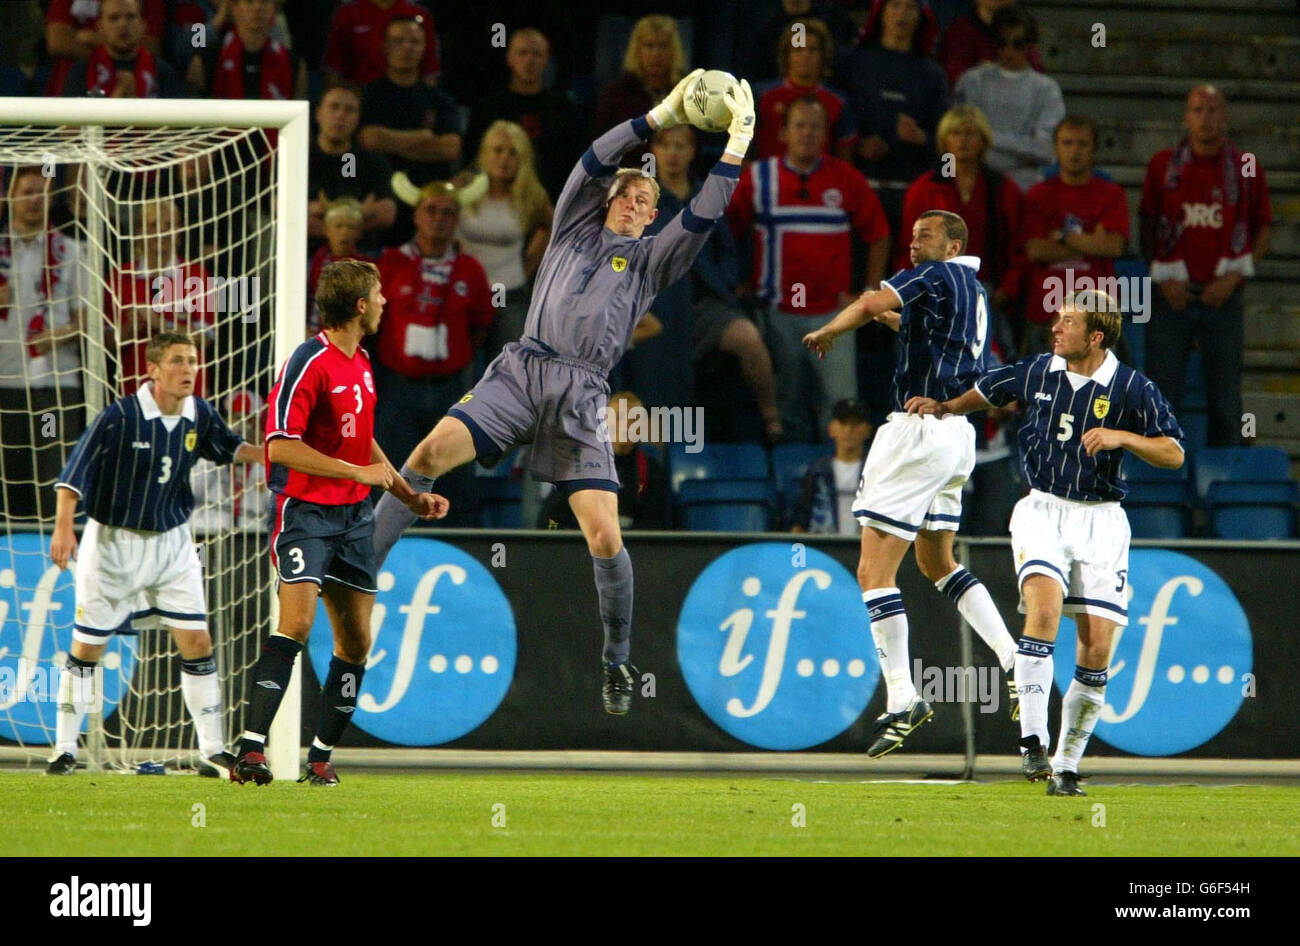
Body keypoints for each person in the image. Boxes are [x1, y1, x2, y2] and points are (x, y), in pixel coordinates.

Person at [370, 67, 755, 716]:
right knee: (432, 454)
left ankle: (617, 660)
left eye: (645, 200)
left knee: (605, 537)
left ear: (653, 214)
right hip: (523, 370)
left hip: (582, 397)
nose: (634, 202)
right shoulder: (575, 222)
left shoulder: (654, 259)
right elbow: (594, 157)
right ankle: (363, 566)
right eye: (627, 193)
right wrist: (660, 116)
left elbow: (706, 212)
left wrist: (737, 144)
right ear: (607, 199)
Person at [903, 291, 1185, 796]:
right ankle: (1032, 741)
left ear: (1095, 336)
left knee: (1096, 649)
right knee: (1043, 615)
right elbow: (987, 391)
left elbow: (1174, 452)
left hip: (1101, 521)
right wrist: (945, 406)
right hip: (1042, 511)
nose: (1056, 328)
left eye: (1068, 322)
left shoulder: (1131, 387)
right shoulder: (1039, 370)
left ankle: (1066, 766)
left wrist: (1124, 438)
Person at [801, 210, 1019, 756]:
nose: (912, 243)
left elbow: (874, 300)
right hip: (957, 437)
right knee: (938, 563)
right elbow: (935, 336)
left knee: (873, 570)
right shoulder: (975, 290)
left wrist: (831, 327)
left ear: (953, 246)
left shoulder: (939, 273)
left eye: (924, 236)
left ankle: (902, 697)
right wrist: (896, 322)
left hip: (918, 430)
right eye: (912, 235)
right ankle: (1016, 660)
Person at [231, 260, 447, 787]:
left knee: (354, 644)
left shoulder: (364, 362)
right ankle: (250, 752)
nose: (385, 302)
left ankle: (321, 757)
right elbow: (279, 446)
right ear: (358, 306)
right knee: (298, 625)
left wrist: (408, 495)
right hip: (305, 513)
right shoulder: (309, 361)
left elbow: (363, 442)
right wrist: (356, 472)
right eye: (378, 294)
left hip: (354, 519)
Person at [46, 332, 263, 776]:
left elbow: (227, 446)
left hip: (173, 542)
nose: (188, 369)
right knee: (87, 648)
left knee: (197, 641)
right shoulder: (121, 416)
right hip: (113, 543)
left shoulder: (198, 412)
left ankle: (213, 750)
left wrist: (269, 454)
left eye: (193, 361)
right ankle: (64, 749)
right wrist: (63, 527)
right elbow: (75, 472)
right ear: (153, 369)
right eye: (178, 361)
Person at [729, 95, 891, 442]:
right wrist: (736, 281)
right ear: (784, 132)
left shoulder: (846, 178)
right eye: (799, 125)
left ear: (826, 134)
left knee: (841, 410)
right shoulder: (759, 179)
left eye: (816, 126)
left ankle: (841, 489)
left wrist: (868, 290)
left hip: (834, 318)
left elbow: (879, 234)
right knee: (785, 410)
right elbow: (726, 234)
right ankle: (794, 488)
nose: (807, 133)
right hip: (776, 315)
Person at [1140, 84, 1273, 447]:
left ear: (1225, 117)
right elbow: (1147, 224)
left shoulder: (1246, 166)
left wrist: (1235, 278)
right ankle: (1162, 492)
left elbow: (1264, 227)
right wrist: (1161, 279)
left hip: (1223, 298)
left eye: (1213, 110)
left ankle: (1222, 487)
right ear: (1186, 117)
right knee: (1160, 401)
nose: (1205, 118)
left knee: (1227, 406)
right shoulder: (1162, 165)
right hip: (1171, 298)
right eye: (1198, 110)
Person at [646, 124, 781, 440]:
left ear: (693, 152)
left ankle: (772, 420)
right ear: (654, 151)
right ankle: (658, 460)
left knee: (749, 338)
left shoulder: (708, 196)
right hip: (659, 308)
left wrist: (727, 281)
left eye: (681, 146)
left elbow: (728, 249)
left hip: (706, 302)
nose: (673, 153)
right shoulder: (642, 198)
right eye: (667, 146)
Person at [374, 180, 493, 526]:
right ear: (415, 216)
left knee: (455, 470)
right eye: (431, 210)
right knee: (392, 469)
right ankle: (382, 544)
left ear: (457, 220)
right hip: (397, 387)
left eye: (448, 212)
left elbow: (482, 324)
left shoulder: (470, 269)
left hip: (451, 388)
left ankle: (462, 545)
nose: (438, 219)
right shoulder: (391, 264)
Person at [0, 166, 87, 522]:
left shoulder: (72, 251)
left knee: (51, 470)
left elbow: (89, 318)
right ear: (10, 198)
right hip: (4, 384)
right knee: (8, 476)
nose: (34, 200)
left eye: (41, 192)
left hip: (54, 386)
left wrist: (60, 334)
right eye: (27, 192)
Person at [895, 105, 1022, 331]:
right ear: (945, 141)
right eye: (956, 133)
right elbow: (909, 246)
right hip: (933, 291)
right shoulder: (925, 188)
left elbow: (1017, 244)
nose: (963, 140)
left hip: (988, 291)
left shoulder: (1002, 187)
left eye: (970, 133)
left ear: (983, 140)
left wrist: (1006, 290)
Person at [1022, 117, 1129, 356]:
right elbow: (1036, 251)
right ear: (1056, 148)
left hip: (1098, 317)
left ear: (1094, 149)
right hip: (1047, 315)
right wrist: (1090, 240)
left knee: (1103, 393)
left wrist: (1060, 237)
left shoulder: (1111, 194)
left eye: (1082, 144)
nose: (1074, 151)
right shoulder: (1038, 195)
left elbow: (1112, 247)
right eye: (1067, 143)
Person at [842, 0, 947, 234]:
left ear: (921, 17)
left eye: (910, 8)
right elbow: (833, 119)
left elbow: (948, 149)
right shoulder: (852, 63)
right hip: (858, 187)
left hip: (911, 193)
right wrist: (856, 145)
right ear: (881, 13)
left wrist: (922, 138)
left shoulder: (933, 75)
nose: (903, 14)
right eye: (896, 6)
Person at [456, 120, 554, 364]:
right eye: (497, 150)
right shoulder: (463, 189)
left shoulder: (530, 195)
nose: (504, 159)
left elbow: (551, 226)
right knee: (462, 371)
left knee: (506, 375)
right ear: (484, 154)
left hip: (509, 295)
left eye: (512, 153)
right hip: (464, 294)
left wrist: (530, 263)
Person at [953, 5, 1064, 193]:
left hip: (1026, 189)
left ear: (1030, 45)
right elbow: (963, 142)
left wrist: (988, 137)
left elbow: (1046, 151)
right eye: (1002, 43)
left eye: (1017, 43)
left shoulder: (1047, 89)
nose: (1009, 50)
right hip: (977, 184)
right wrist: (1023, 147)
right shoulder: (973, 80)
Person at [464, 28, 582, 201]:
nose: (529, 60)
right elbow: (473, 158)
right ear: (509, 58)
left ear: (546, 59)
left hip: (552, 198)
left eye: (536, 54)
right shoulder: (488, 108)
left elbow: (575, 161)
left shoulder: (564, 109)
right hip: (496, 200)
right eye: (522, 53)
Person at [537, 390, 672, 531]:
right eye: (619, 418)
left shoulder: (651, 470)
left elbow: (657, 526)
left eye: (634, 420)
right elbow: (550, 521)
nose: (626, 425)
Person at [308, 79, 397, 253]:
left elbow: (386, 214)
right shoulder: (296, 157)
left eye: (349, 110)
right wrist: (357, 216)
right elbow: (279, 210)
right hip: (304, 256)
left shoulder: (373, 162)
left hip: (360, 257)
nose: (341, 115)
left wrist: (325, 219)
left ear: (358, 118)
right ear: (318, 113)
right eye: (334, 107)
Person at [753, 17, 856, 162]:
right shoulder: (761, 95)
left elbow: (845, 158)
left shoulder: (838, 102)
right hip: (768, 181)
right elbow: (743, 147)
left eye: (812, 50)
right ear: (787, 54)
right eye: (798, 49)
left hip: (819, 182)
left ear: (823, 55)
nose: (805, 55)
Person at [592, 15, 686, 164]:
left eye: (663, 46)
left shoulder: (686, 91)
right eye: (649, 46)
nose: (656, 54)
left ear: (673, 51)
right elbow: (602, 146)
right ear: (638, 50)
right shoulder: (617, 94)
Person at [186, 0, 307, 100]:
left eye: (264, 2)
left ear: (274, 9)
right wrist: (218, 20)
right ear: (234, 7)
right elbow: (188, 46)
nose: (257, 7)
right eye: (249, 1)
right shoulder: (206, 58)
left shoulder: (293, 63)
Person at [61, 0, 181, 98]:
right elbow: (67, 125)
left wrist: (133, 102)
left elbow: (178, 125)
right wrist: (117, 101)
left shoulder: (163, 73)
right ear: (100, 27)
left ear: (143, 25)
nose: (122, 24)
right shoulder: (81, 72)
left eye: (130, 17)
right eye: (114, 18)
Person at [790, 398, 872, 534]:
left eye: (855, 424)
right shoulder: (816, 471)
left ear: (868, 430)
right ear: (831, 428)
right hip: (825, 548)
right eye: (843, 423)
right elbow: (800, 521)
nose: (849, 430)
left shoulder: (876, 470)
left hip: (866, 547)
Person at [322, 0, 440, 87]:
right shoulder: (347, 13)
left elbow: (429, 70)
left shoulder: (419, 14)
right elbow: (334, 68)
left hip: (408, 98)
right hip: (359, 99)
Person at [937, 0, 1043, 91]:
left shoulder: (1023, 31)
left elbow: (1036, 77)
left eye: (1017, 45)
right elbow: (954, 83)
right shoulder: (959, 32)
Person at [308, 198, 371, 336]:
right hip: (312, 335)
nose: (344, 232)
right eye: (338, 226)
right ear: (326, 230)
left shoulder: (365, 267)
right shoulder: (313, 263)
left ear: (360, 232)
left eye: (351, 227)